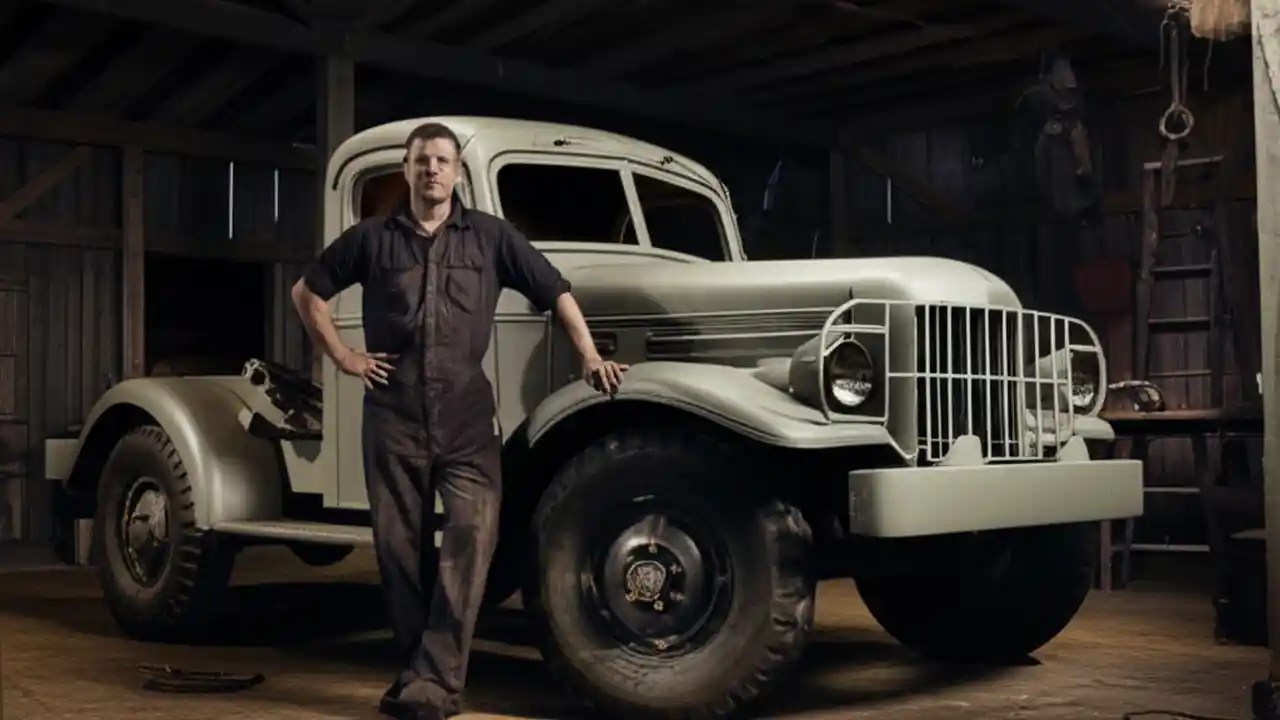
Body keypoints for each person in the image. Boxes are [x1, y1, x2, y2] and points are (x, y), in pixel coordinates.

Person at [291, 121, 627, 720]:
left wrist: (590, 354)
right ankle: (425, 679)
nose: (432, 171)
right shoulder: (371, 240)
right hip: (392, 418)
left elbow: (556, 291)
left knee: (472, 541)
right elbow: (306, 292)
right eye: (422, 161)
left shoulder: (493, 238)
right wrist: (343, 356)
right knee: (399, 555)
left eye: (442, 161)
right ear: (407, 168)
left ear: (457, 172)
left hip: (469, 422)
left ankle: (431, 681)